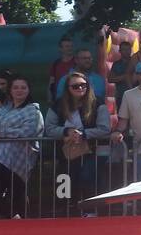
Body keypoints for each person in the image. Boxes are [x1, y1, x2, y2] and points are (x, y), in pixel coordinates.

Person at [46, 72, 112, 215]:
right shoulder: (57, 105)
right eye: (75, 86)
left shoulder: (97, 103)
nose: (80, 88)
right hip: (65, 153)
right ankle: (66, 212)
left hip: (91, 152)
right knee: (65, 180)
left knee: (87, 178)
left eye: (83, 85)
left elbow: (105, 128)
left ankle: (90, 211)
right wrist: (66, 132)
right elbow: (49, 129)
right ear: (68, 88)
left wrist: (85, 134)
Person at [0, 75, 44, 218]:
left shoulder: (33, 110)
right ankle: (8, 219)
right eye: (15, 87)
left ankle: (21, 222)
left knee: (17, 193)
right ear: (10, 90)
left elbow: (27, 132)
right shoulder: (2, 110)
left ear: (28, 90)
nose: (19, 90)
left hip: (17, 158)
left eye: (23, 87)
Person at [47, 35, 76, 106]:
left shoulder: (77, 62)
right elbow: (51, 83)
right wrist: (50, 98)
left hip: (75, 98)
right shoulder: (55, 64)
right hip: (59, 100)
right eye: (67, 46)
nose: (69, 48)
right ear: (60, 49)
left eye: (71, 46)